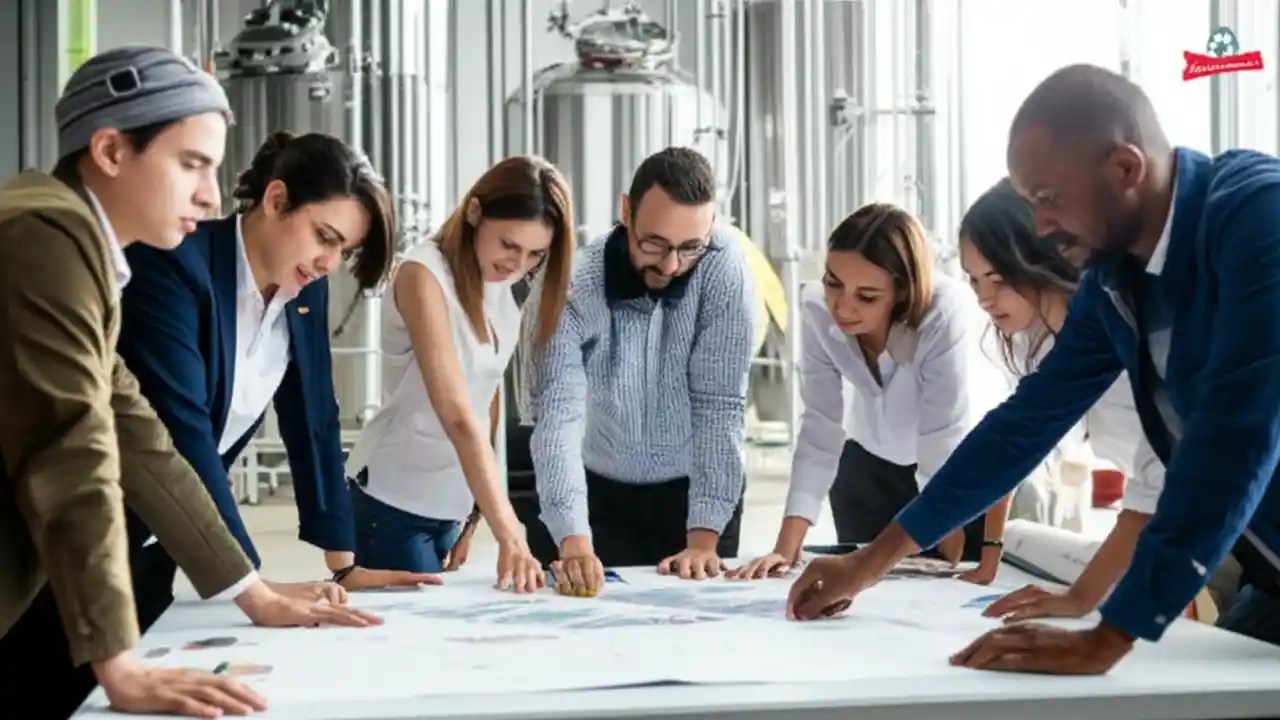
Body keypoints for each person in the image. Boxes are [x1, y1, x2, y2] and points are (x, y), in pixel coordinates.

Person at [786, 63, 1280, 674]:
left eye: (1049, 200)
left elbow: (1237, 437)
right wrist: (869, 562)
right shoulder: (1115, 280)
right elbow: (1025, 424)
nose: (1042, 228)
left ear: (1126, 168)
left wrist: (1107, 637)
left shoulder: (1259, 218)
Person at [0, 46, 379, 720]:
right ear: (111, 151)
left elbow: (139, 435)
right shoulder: (47, 237)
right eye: (191, 164)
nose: (209, 193)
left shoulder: (84, 252)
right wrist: (118, 668)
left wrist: (254, 591)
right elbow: (72, 451)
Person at [117, 129, 440, 631]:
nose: (329, 263)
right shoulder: (173, 266)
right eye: (325, 237)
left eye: (344, 251)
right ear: (276, 199)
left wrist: (345, 563)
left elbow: (315, 418)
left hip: (164, 542)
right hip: (79, 534)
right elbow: (183, 434)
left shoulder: (303, 291)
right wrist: (254, 587)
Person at [527, 147, 756, 596]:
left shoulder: (724, 266)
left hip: (698, 494)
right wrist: (574, 540)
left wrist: (704, 538)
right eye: (654, 243)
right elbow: (557, 418)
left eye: (690, 246)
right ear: (626, 211)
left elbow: (720, 405)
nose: (671, 266)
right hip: (599, 497)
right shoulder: (574, 283)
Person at [344, 155, 574, 593]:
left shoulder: (501, 287)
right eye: (508, 243)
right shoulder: (423, 274)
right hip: (392, 502)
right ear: (474, 212)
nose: (517, 263)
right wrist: (511, 530)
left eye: (535, 254)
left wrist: (472, 515)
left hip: (449, 506)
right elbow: (455, 413)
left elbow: (486, 399)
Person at [728, 203, 981, 581]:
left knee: (950, 594)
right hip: (868, 470)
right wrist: (784, 549)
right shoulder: (816, 309)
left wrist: (948, 540)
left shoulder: (944, 311)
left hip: (959, 476)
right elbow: (820, 424)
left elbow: (942, 434)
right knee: (862, 602)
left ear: (902, 291)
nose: (842, 307)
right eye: (833, 283)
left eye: (866, 296)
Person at [953, 178, 1166, 612]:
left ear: (1035, 258)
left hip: (1218, 524)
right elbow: (1015, 450)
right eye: (973, 281)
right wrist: (990, 555)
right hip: (1167, 519)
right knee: (1020, 540)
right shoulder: (1037, 341)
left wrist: (1081, 597)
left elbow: (1160, 483)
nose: (983, 298)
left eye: (995, 277)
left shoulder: (1117, 333)